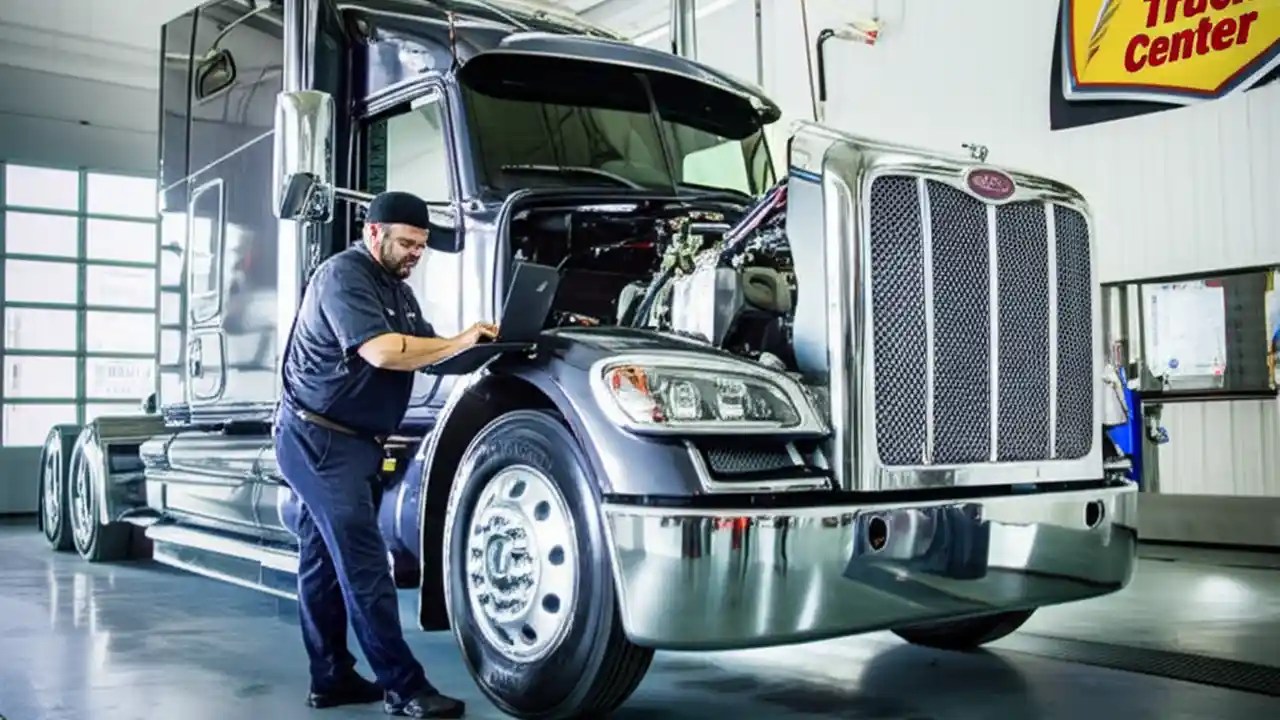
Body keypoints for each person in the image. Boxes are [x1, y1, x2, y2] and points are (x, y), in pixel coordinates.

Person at [273, 190, 497, 718]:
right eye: (407, 243)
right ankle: (405, 687)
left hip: (349, 443)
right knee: (367, 565)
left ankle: (330, 679)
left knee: (322, 564)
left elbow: (431, 354)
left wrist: (490, 347)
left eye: (421, 246)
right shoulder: (343, 276)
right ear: (374, 234)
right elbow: (381, 350)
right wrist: (458, 340)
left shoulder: (396, 290)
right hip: (319, 440)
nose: (415, 253)